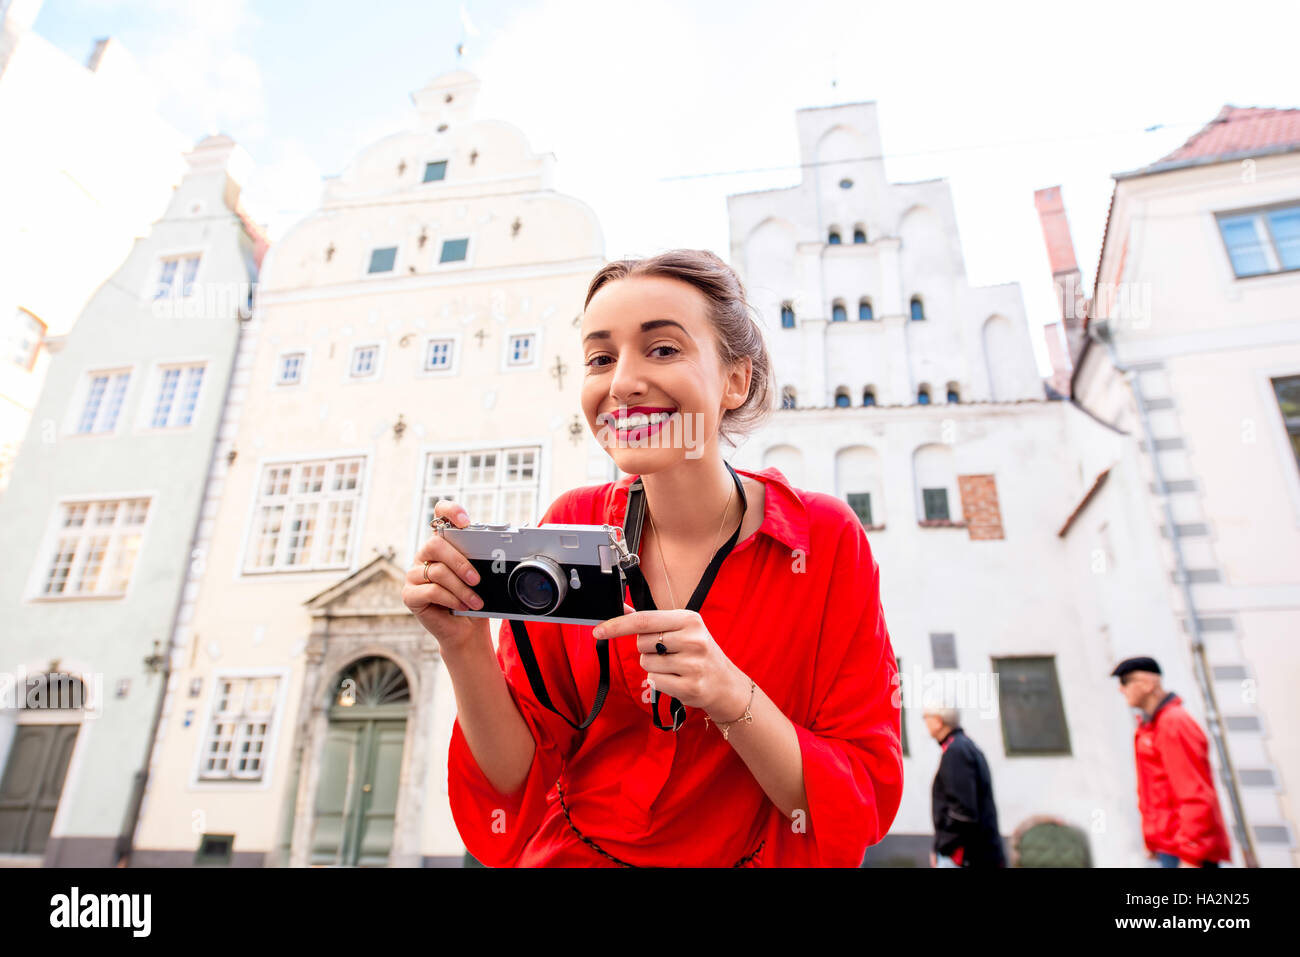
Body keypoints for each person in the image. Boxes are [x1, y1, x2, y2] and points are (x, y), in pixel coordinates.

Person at [402, 249, 903, 866]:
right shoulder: (570, 526)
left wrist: (730, 695)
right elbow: (514, 780)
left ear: (735, 380)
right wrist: (462, 646)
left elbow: (857, 797)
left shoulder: (822, 540)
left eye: (662, 349)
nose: (621, 384)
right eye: (600, 358)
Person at [1111, 656, 1231, 868]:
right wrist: (1152, 839)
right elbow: (1154, 790)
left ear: (1148, 683)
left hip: (1185, 850)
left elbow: (1195, 794)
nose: (1121, 689)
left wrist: (1192, 854)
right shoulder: (1151, 726)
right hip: (1169, 846)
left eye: (1125, 681)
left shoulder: (1173, 723)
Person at [923, 705, 1005, 868]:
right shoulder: (964, 746)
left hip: (964, 856)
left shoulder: (956, 752)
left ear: (939, 721)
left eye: (926, 717)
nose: (925, 722)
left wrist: (943, 847)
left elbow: (963, 812)